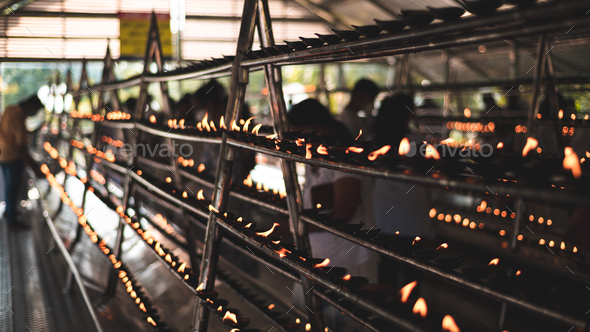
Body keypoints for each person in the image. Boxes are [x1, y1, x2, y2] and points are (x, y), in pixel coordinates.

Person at [289, 99, 378, 332]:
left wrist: (299, 226)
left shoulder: (343, 156)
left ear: (316, 127)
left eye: (300, 135)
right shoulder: (315, 158)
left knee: (346, 322)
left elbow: (343, 213)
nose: (299, 142)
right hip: (321, 258)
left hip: (348, 261)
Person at [372, 94, 432, 285]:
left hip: (384, 215)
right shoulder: (417, 142)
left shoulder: (375, 142)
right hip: (413, 215)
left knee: (386, 272)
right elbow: (426, 174)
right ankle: (410, 311)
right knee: (412, 274)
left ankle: (385, 310)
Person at [0, 95, 44, 230]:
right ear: (30, 106)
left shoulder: (9, 110)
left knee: (9, 186)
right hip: (13, 156)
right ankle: (12, 222)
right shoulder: (18, 117)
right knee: (12, 187)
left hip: (3, 154)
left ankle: (10, 212)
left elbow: (10, 131)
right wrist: (34, 166)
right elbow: (21, 146)